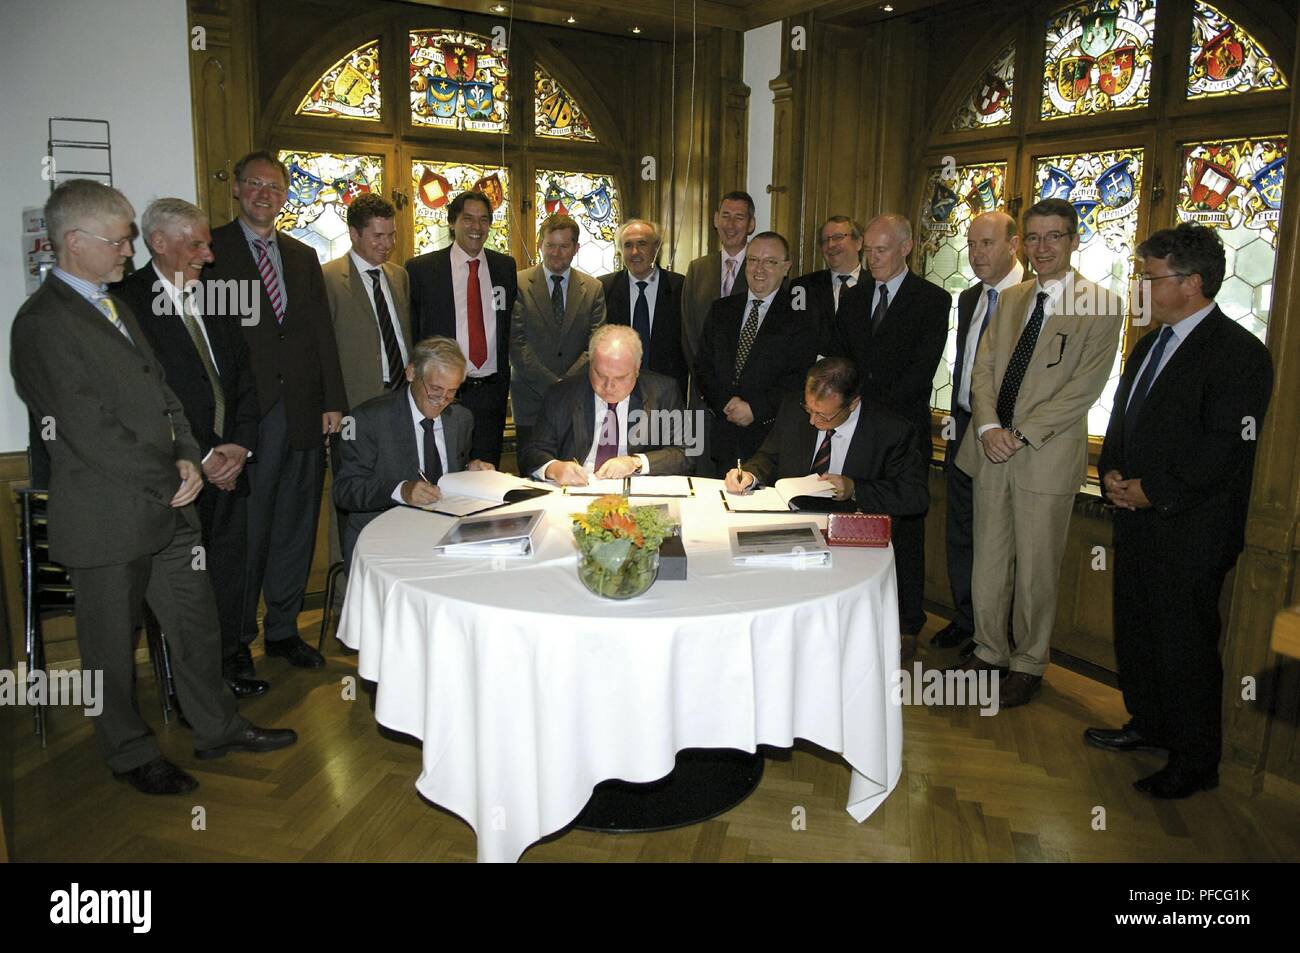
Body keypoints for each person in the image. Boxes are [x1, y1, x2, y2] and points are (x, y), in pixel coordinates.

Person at [11, 180, 295, 796]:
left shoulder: (110, 303)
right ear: (73, 241)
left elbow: (163, 391)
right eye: (117, 240)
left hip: (172, 507)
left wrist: (190, 456)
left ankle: (216, 726)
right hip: (109, 517)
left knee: (195, 627)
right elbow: (87, 428)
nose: (127, 249)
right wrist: (172, 474)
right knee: (111, 649)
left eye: (131, 238)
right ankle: (128, 751)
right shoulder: (42, 323)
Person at [1088, 224, 1272, 798]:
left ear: (1191, 283)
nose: (1141, 286)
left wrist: (1155, 489)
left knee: (1184, 646)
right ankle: (1148, 724)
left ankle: (1195, 761)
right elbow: (1124, 420)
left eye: (1151, 276)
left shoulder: (1240, 353)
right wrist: (1112, 471)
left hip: (1191, 529)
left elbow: (1226, 447)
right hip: (1136, 518)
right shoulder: (1148, 343)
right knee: (1138, 633)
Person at [954, 198, 1125, 707]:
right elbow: (982, 369)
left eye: (1054, 236)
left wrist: (1019, 433)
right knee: (988, 561)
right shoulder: (1010, 300)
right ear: (1021, 243)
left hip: (1043, 456)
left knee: (1035, 569)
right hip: (989, 450)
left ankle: (1028, 662)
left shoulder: (1102, 304)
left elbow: (1083, 390)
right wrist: (987, 426)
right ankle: (988, 651)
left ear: (1075, 240)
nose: (1042, 247)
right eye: (1032, 237)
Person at [112, 198, 264, 698]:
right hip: (175, 473)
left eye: (208, 242)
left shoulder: (218, 295)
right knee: (181, 585)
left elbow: (244, 377)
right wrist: (198, 457)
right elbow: (140, 399)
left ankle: (229, 659)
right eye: (195, 243)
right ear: (159, 243)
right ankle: (185, 681)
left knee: (227, 569)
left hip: (230, 465)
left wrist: (238, 445)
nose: (208, 254)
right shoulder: (126, 303)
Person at [205, 150, 348, 672]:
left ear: (285, 195)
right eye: (255, 185)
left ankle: (284, 630)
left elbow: (318, 335)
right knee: (247, 534)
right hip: (249, 420)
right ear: (238, 190)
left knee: (294, 527)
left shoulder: (300, 255)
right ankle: (237, 640)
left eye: (275, 186)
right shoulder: (213, 251)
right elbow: (214, 342)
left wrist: (333, 400)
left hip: (305, 414)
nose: (265, 194)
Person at [830, 213, 950, 642]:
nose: (873, 259)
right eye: (868, 252)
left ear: (906, 247)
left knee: (903, 526)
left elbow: (921, 371)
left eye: (881, 251)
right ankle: (856, 615)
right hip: (856, 427)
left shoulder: (932, 300)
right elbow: (844, 362)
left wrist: (873, 412)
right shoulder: (855, 296)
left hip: (901, 429)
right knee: (855, 517)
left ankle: (905, 622)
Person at [935, 210, 1024, 651]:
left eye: (986, 243)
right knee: (962, 528)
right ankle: (967, 618)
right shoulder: (970, 298)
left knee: (999, 540)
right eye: (970, 244)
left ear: (1014, 244)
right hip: (964, 426)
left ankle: (996, 633)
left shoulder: (1032, 299)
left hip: (1008, 436)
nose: (976, 253)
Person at [334, 337, 493, 567]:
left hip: (445, 538)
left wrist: (469, 470)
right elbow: (345, 489)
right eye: (435, 389)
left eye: (451, 392)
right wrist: (401, 490)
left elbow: (449, 472)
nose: (441, 401)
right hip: (385, 541)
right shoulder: (366, 419)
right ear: (411, 374)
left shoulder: (460, 418)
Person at [724, 357, 928, 519]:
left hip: (851, 538)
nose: (812, 421)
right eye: (809, 409)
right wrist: (749, 475)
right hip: (793, 524)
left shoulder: (891, 431)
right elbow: (770, 456)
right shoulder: (793, 408)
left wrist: (855, 489)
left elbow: (914, 497)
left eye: (823, 415)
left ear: (853, 404)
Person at [405, 190, 519, 467]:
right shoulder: (423, 269)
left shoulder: (505, 267)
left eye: (483, 220)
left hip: (491, 392)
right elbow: (413, 330)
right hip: (441, 393)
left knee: (486, 473)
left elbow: (507, 325)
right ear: (452, 222)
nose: (476, 227)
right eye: (467, 219)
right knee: (442, 470)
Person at [695, 231, 816, 477]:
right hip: (724, 435)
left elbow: (800, 378)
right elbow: (703, 367)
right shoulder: (721, 310)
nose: (759, 269)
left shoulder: (802, 317)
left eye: (770, 262)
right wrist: (725, 404)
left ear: (786, 267)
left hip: (771, 441)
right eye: (753, 260)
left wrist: (755, 409)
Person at [520, 324, 689, 483]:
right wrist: (554, 468)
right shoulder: (560, 394)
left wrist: (636, 462)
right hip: (576, 491)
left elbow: (686, 452)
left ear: (637, 369)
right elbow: (532, 453)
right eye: (600, 375)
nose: (609, 387)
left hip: (636, 492)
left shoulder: (664, 391)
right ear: (590, 364)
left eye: (620, 378)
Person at [509, 213, 606, 459]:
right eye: (550, 245)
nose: (555, 252)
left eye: (564, 246)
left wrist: (567, 384)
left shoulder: (593, 288)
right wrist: (553, 384)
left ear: (576, 248)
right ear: (540, 244)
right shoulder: (518, 283)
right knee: (531, 473)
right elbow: (516, 343)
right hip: (530, 399)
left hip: (577, 400)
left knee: (572, 474)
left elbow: (595, 344)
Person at [323, 192, 413, 410]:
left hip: (403, 394)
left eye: (392, 235)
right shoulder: (328, 278)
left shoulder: (399, 275)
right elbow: (321, 349)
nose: (387, 244)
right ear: (354, 234)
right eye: (378, 236)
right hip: (357, 398)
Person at [600, 218, 689, 399]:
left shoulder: (681, 287)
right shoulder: (603, 288)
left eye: (642, 244)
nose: (634, 252)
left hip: (667, 393)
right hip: (616, 391)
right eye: (627, 245)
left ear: (656, 249)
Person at [680, 190, 755, 371]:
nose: (730, 225)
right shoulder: (697, 269)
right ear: (716, 219)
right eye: (725, 216)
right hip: (704, 386)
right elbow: (688, 331)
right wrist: (703, 377)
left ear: (751, 224)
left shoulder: (762, 270)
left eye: (739, 217)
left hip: (747, 390)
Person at [790, 215, 866, 357]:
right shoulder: (801, 288)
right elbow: (795, 335)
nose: (830, 245)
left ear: (859, 242)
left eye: (838, 237)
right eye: (825, 240)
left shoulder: (876, 286)